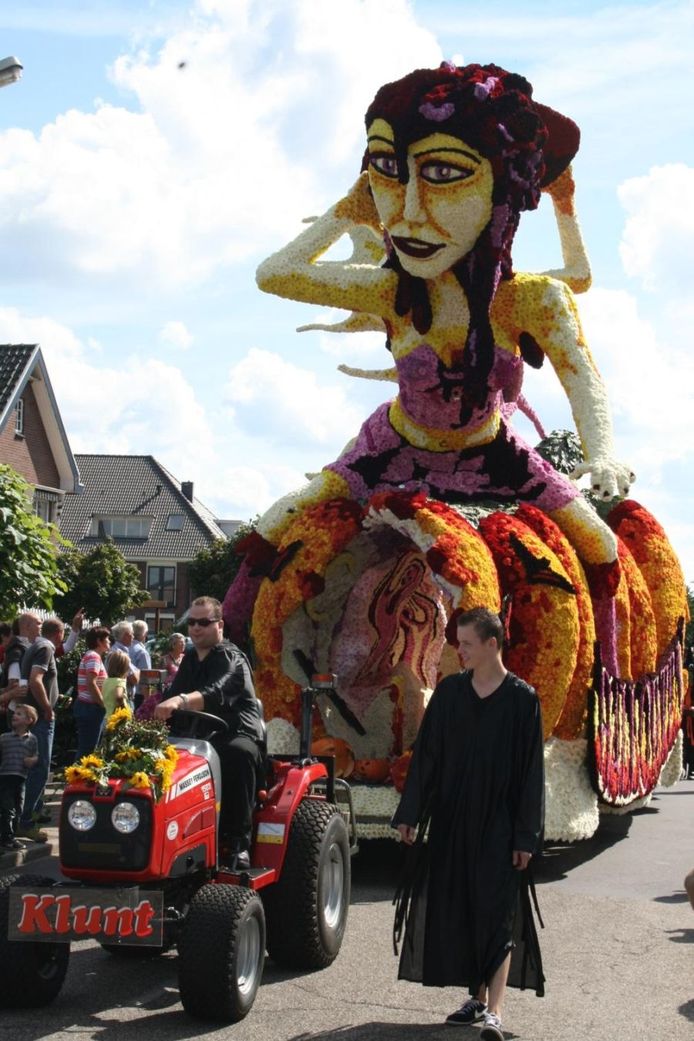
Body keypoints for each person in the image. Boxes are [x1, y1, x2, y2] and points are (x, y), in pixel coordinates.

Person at [248, 62, 634, 673]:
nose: (406, 214)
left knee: (601, 542)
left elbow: (581, 375)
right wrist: (349, 210)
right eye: (390, 174)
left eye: (445, 176)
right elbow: (274, 274)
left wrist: (603, 451)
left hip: (492, 451)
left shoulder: (527, 298)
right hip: (394, 446)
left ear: (502, 191)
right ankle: (260, 687)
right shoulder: (389, 292)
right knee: (272, 527)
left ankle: (607, 692)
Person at [392, 607, 544, 1041]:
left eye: (468, 644)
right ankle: (476, 998)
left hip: (499, 823)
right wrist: (410, 814)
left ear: (492, 645)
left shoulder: (522, 699)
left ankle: (495, 1012)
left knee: (497, 914)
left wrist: (525, 835)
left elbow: (532, 773)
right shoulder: (450, 693)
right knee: (463, 909)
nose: (460, 651)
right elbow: (428, 758)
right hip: (452, 819)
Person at [154, 596, 265, 870]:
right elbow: (171, 695)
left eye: (204, 622)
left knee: (236, 754)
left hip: (234, 729)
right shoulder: (190, 658)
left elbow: (217, 692)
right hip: (196, 734)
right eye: (192, 622)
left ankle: (238, 843)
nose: (196, 628)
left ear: (220, 625)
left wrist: (179, 701)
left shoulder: (232, 658)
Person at [17, 616, 65, 842]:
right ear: (59, 634)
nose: (38, 625)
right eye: (36, 622)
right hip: (40, 717)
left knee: (30, 768)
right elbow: (36, 680)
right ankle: (25, 822)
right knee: (40, 767)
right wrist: (47, 707)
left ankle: (30, 816)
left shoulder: (33, 646)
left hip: (31, 715)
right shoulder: (45, 647)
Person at [0, 704, 38, 850]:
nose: (14, 715)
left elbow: (36, 756)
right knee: (7, 809)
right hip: (5, 777)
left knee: (18, 809)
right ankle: (6, 838)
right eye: (15, 713)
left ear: (29, 720)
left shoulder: (32, 739)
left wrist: (32, 760)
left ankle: (12, 836)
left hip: (21, 778)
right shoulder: (4, 738)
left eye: (19, 714)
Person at [73, 626, 110, 759]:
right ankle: (79, 778)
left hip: (88, 707)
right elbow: (91, 682)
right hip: (90, 708)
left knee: (87, 748)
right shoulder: (94, 657)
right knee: (88, 750)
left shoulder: (92, 656)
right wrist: (102, 703)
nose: (109, 642)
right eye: (107, 639)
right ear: (99, 641)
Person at [108, 621, 141, 702]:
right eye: (132, 634)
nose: (133, 637)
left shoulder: (115, 650)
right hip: (123, 699)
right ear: (126, 635)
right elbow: (134, 679)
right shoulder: (120, 654)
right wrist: (138, 671)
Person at [101, 650, 130, 718]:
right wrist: (123, 708)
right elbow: (119, 696)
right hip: (116, 719)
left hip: (106, 717)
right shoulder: (120, 682)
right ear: (124, 669)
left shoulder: (106, 681)